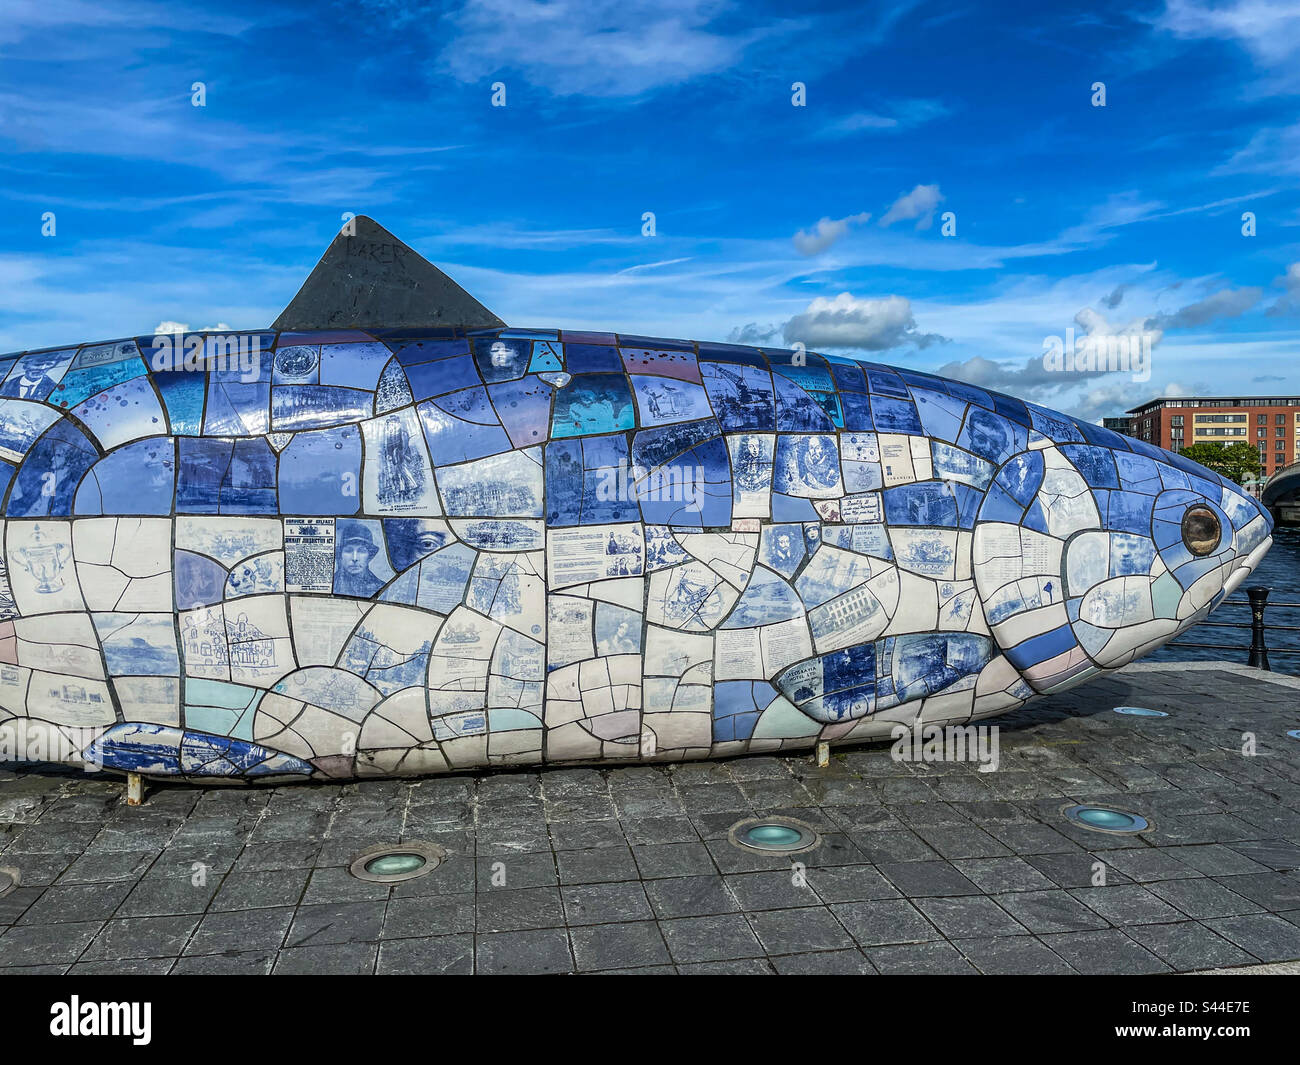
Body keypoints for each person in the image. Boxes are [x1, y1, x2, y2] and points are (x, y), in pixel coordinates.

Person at [335, 524, 384, 597]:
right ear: (341, 555)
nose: (355, 558)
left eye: (361, 551)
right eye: (348, 551)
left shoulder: (382, 588)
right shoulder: (330, 584)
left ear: (369, 556)